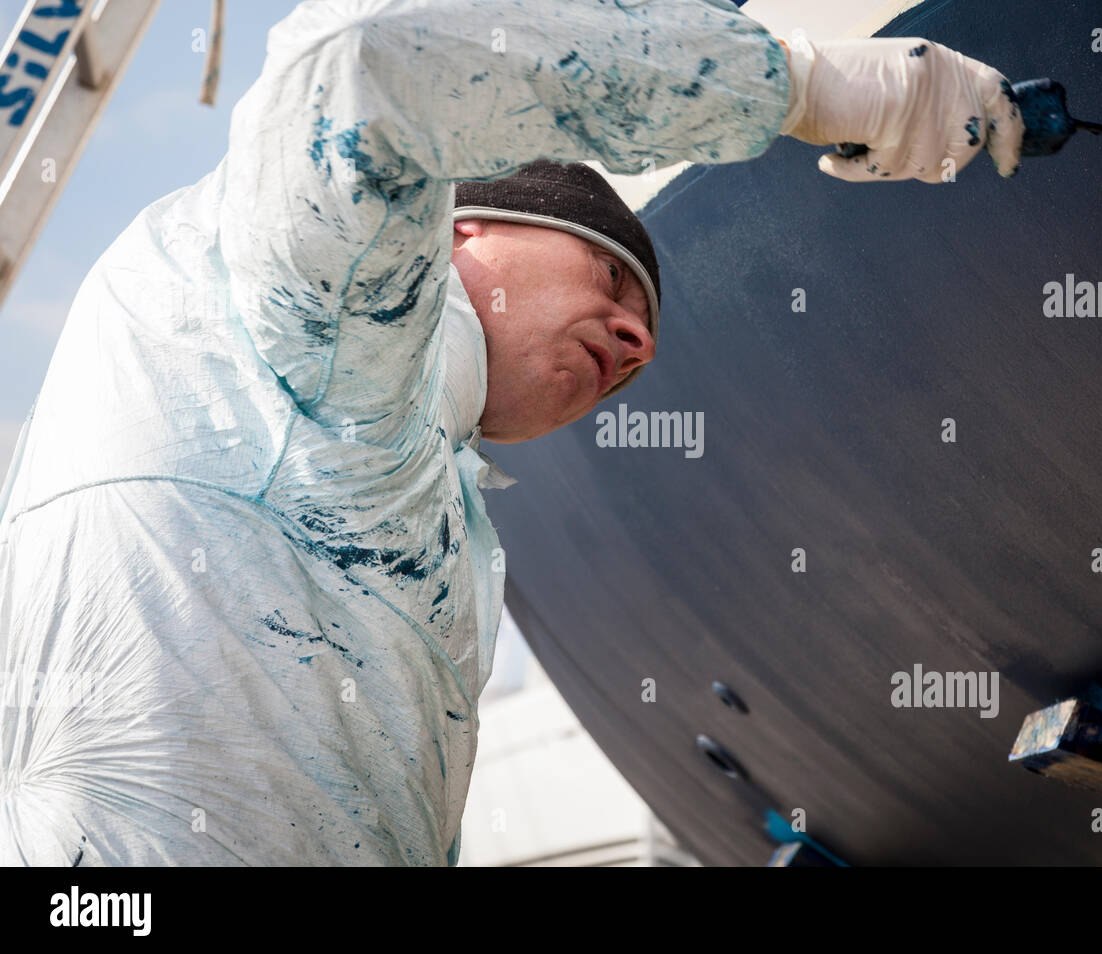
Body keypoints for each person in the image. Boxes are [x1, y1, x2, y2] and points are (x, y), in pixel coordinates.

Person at [0, 0, 1022, 865]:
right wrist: (804, 91)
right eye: (613, 279)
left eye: (639, 353)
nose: (635, 347)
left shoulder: (411, 469)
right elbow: (362, 65)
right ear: (461, 224)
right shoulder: (303, 302)